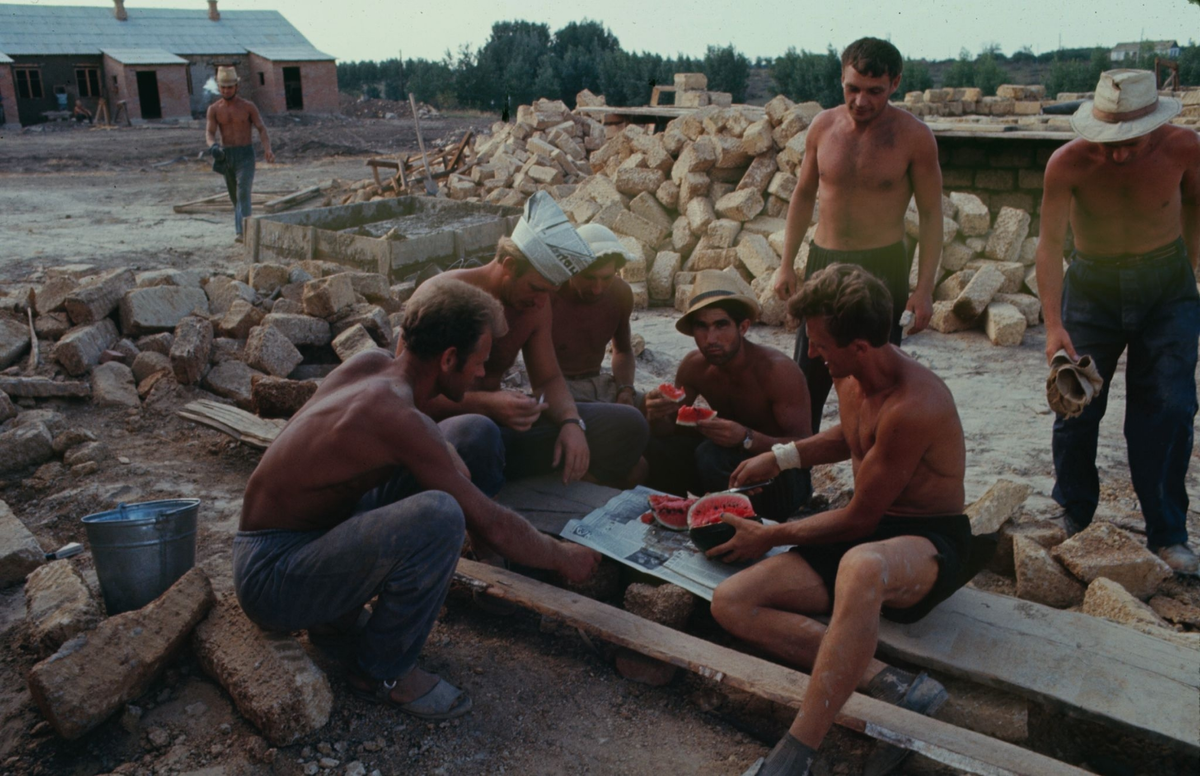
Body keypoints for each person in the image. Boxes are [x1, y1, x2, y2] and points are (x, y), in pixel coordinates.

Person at [234, 278, 600, 719]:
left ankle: (334, 618)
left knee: (466, 435)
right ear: (448, 358)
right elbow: (490, 522)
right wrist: (562, 557)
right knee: (442, 515)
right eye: (479, 363)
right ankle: (383, 673)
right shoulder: (395, 416)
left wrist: (443, 451)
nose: (483, 373)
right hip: (272, 579)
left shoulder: (372, 365)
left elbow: (394, 440)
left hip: (301, 539)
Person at [712, 264, 980, 776]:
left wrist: (772, 536)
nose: (812, 353)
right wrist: (781, 456)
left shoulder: (915, 405)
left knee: (860, 565)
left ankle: (794, 756)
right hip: (869, 533)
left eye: (820, 344)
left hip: (925, 542)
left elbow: (859, 518)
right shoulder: (855, 376)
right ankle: (892, 683)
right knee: (732, 602)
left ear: (859, 345)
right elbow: (852, 436)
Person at [1035, 69, 1200, 574]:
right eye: (1110, 141)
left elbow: (1197, 204)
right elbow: (1048, 245)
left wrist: (1191, 275)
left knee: (1169, 407)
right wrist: (1053, 325)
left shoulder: (1185, 149)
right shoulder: (1068, 163)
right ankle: (1074, 515)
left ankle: (1168, 533)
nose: (1119, 153)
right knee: (1075, 401)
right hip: (1093, 286)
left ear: (1154, 122)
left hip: (1166, 286)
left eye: (1130, 141)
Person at [414, 192, 650, 489]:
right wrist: (487, 404)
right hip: (452, 434)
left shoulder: (535, 304)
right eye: (536, 289)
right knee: (478, 431)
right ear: (510, 265)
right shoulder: (441, 295)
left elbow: (549, 378)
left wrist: (571, 422)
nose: (542, 302)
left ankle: (520, 479)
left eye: (549, 293)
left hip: (502, 426)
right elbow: (410, 402)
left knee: (629, 425)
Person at [773, 37, 943, 433]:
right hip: (824, 263)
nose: (861, 101)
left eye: (874, 91)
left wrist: (925, 288)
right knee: (809, 377)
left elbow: (932, 215)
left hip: (881, 268)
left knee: (878, 386)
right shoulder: (822, 126)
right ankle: (798, 489)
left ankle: (871, 485)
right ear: (841, 78)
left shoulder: (914, 136)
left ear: (895, 83)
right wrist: (785, 265)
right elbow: (802, 196)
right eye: (852, 89)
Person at [642, 270, 812, 521]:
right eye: (702, 327)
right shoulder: (694, 367)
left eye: (721, 325)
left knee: (710, 455)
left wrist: (746, 438)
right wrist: (656, 415)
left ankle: (742, 526)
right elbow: (671, 432)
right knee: (655, 445)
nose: (711, 339)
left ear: (742, 327)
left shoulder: (778, 371)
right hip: (724, 470)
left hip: (782, 479)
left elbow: (805, 451)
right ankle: (674, 515)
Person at [550, 223, 640, 407]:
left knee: (656, 413)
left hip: (598, 384)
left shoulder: (620, 294)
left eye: (606, 278)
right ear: (571, 269)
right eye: (589, 278)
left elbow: (623, 350)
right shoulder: (550, 297)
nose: (597, 289)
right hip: (554, 386)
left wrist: (625, 389)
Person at [205, 65, 274, 244]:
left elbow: (261, 128)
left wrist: (268, 149)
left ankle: (243, 233)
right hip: (226, 156)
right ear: (219, 87)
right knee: (235, 196)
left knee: (243, 192)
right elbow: (210, 132)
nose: (227, 90)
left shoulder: (248, 107)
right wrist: (213, 146)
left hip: (245, 155)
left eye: (230, 86)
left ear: (237, 86)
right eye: (223, 87)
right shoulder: (214, 109)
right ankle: (243, 228)